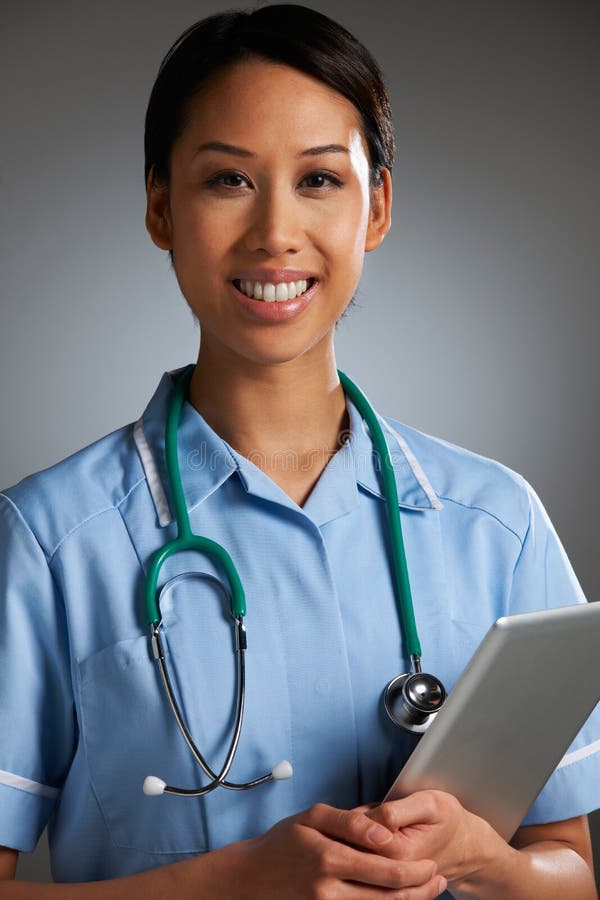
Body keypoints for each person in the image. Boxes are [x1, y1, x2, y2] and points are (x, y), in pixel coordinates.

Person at [0, 4, 598, 897]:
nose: (275, 232)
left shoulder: (496, 525)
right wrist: (236, 882)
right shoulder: (50, 541)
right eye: (228, 181)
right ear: (161, 205)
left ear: (378, 207)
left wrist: (487, 860)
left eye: (319, 180)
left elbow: (572, 873)